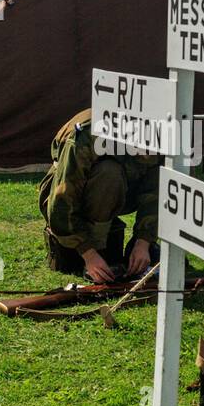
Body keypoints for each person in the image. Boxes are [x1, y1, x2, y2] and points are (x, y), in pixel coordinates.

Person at [38, 109, 161, 283]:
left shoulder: (163, 131)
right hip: (68, 191)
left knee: (163, 175)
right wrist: (89, 254)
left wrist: (143, 242)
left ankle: (133, 252)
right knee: (109, 173)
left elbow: (156, 191)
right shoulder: (89, 135)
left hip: (119, 189)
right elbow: (61, 203)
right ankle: (98, 251)